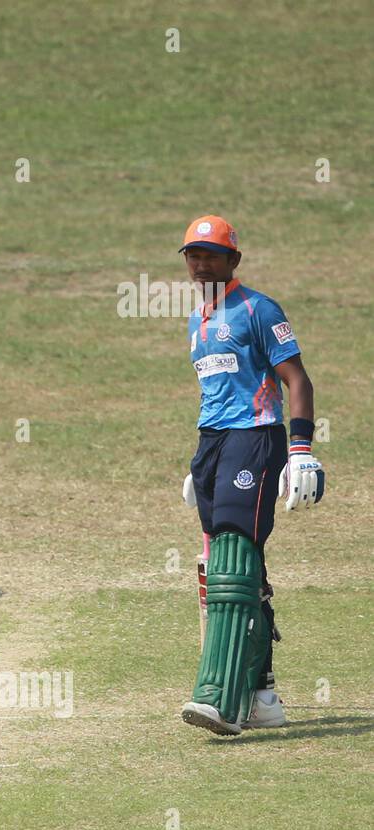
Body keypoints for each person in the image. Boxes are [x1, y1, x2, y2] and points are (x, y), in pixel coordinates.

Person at [176, 215, 325, 736]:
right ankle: (263, 694)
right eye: (193, 254)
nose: (200, 263)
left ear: (233, 260)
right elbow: (214, 393)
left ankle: (221, 697)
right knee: (239, 566)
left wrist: (302, 449)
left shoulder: (259, 309)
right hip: (214, 443)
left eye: (211, 254)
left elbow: (296, 378)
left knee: (234, 559)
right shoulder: (198, 319)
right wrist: (201, 466)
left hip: (255, 436)